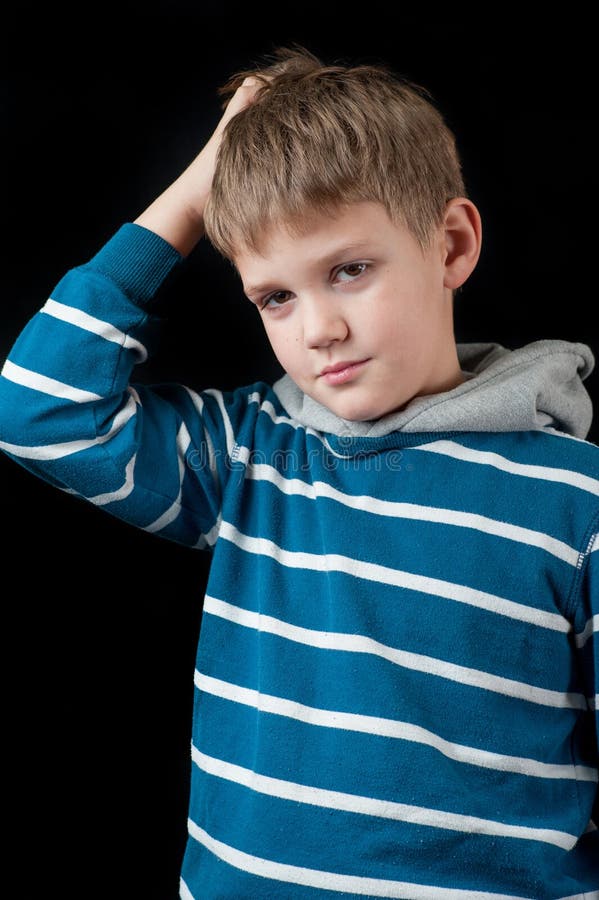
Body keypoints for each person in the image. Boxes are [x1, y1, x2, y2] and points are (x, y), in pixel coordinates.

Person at [0, 43, 597, 899]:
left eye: (348, 271)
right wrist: (202, 189)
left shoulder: (575, 503)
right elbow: (38, 409)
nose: (316, 329)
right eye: (275, 297)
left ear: (452, 245)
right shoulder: (252, 452)